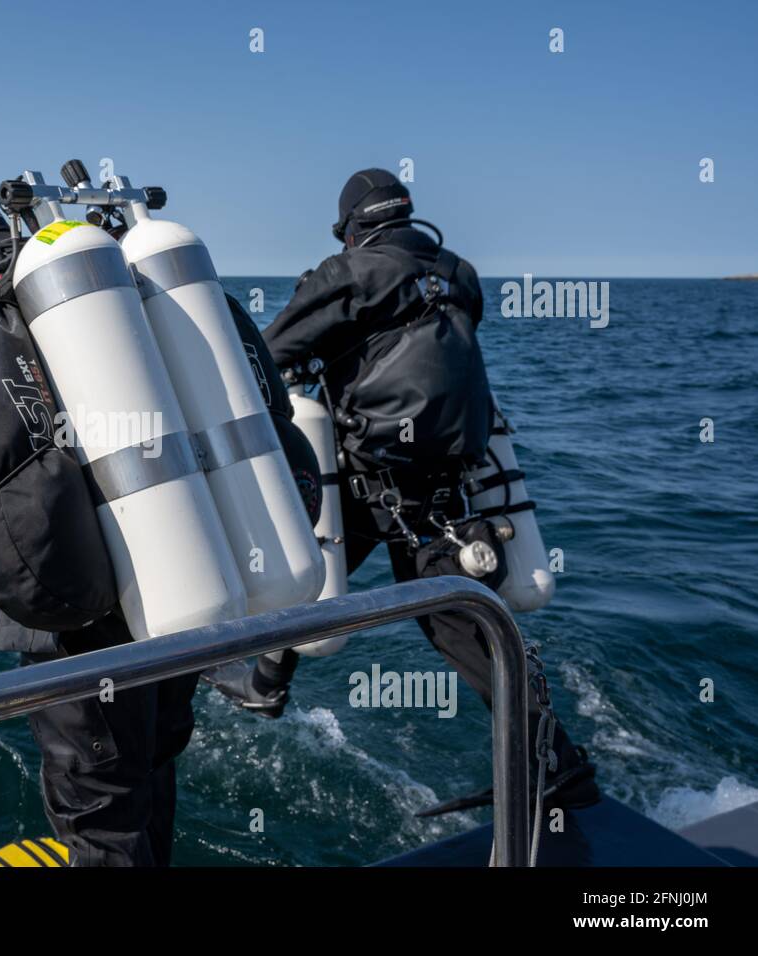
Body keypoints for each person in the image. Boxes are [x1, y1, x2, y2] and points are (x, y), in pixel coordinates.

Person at [210, 169, 599, 814]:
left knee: (412, 605)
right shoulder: (459, 272)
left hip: (381, 473)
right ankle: (268, 682)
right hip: (447, 472)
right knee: (401, 596)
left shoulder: (348, 272)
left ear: (352, 230)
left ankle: (551, 759)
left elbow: (273, 352)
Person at [0, 194, 201, 866]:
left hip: (76, 595)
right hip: (176, 558)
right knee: (152, 762)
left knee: (99, 806)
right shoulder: (97, 278)